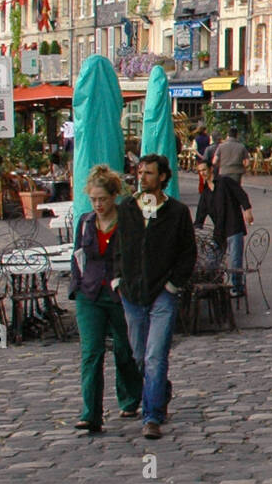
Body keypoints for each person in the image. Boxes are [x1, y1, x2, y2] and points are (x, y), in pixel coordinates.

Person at [111, 154, 196, 440]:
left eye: (148, 173)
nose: (142, 177)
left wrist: (173, 284)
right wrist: (117, 279)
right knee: (139, 355)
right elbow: (117, 247)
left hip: (163, 291)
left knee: (155, 355)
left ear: (162, 177)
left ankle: (152, 416)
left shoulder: (177, 212)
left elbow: (187, 252)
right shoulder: (127, 209)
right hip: (132, 291)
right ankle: (162, 390)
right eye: (140, 172)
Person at [69, 165, 142, 435]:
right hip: (89, 294)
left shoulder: (126, 219)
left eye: (103, 199)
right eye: (94, 199)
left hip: (120, 294)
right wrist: (76, 283)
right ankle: (91, 413)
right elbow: (78, 255)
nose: (98, 204)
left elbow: (137, 254)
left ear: (114, 197)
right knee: (91, 353)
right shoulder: (86, 221)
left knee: (125, 350)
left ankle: (130, 397)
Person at [194, 161, 253, 296]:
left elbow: (241, 194)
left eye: (204, 169)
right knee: (211, 259)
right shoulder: (206, 192)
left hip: (233, 226)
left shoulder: (225, 182)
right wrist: (196, 228)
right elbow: (200, 212)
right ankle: (212, 285)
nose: (202, 173)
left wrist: (247, 210)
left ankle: (237, 288)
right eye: (200, 171)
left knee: (235, 261)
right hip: (219, 231)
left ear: (211, 169)